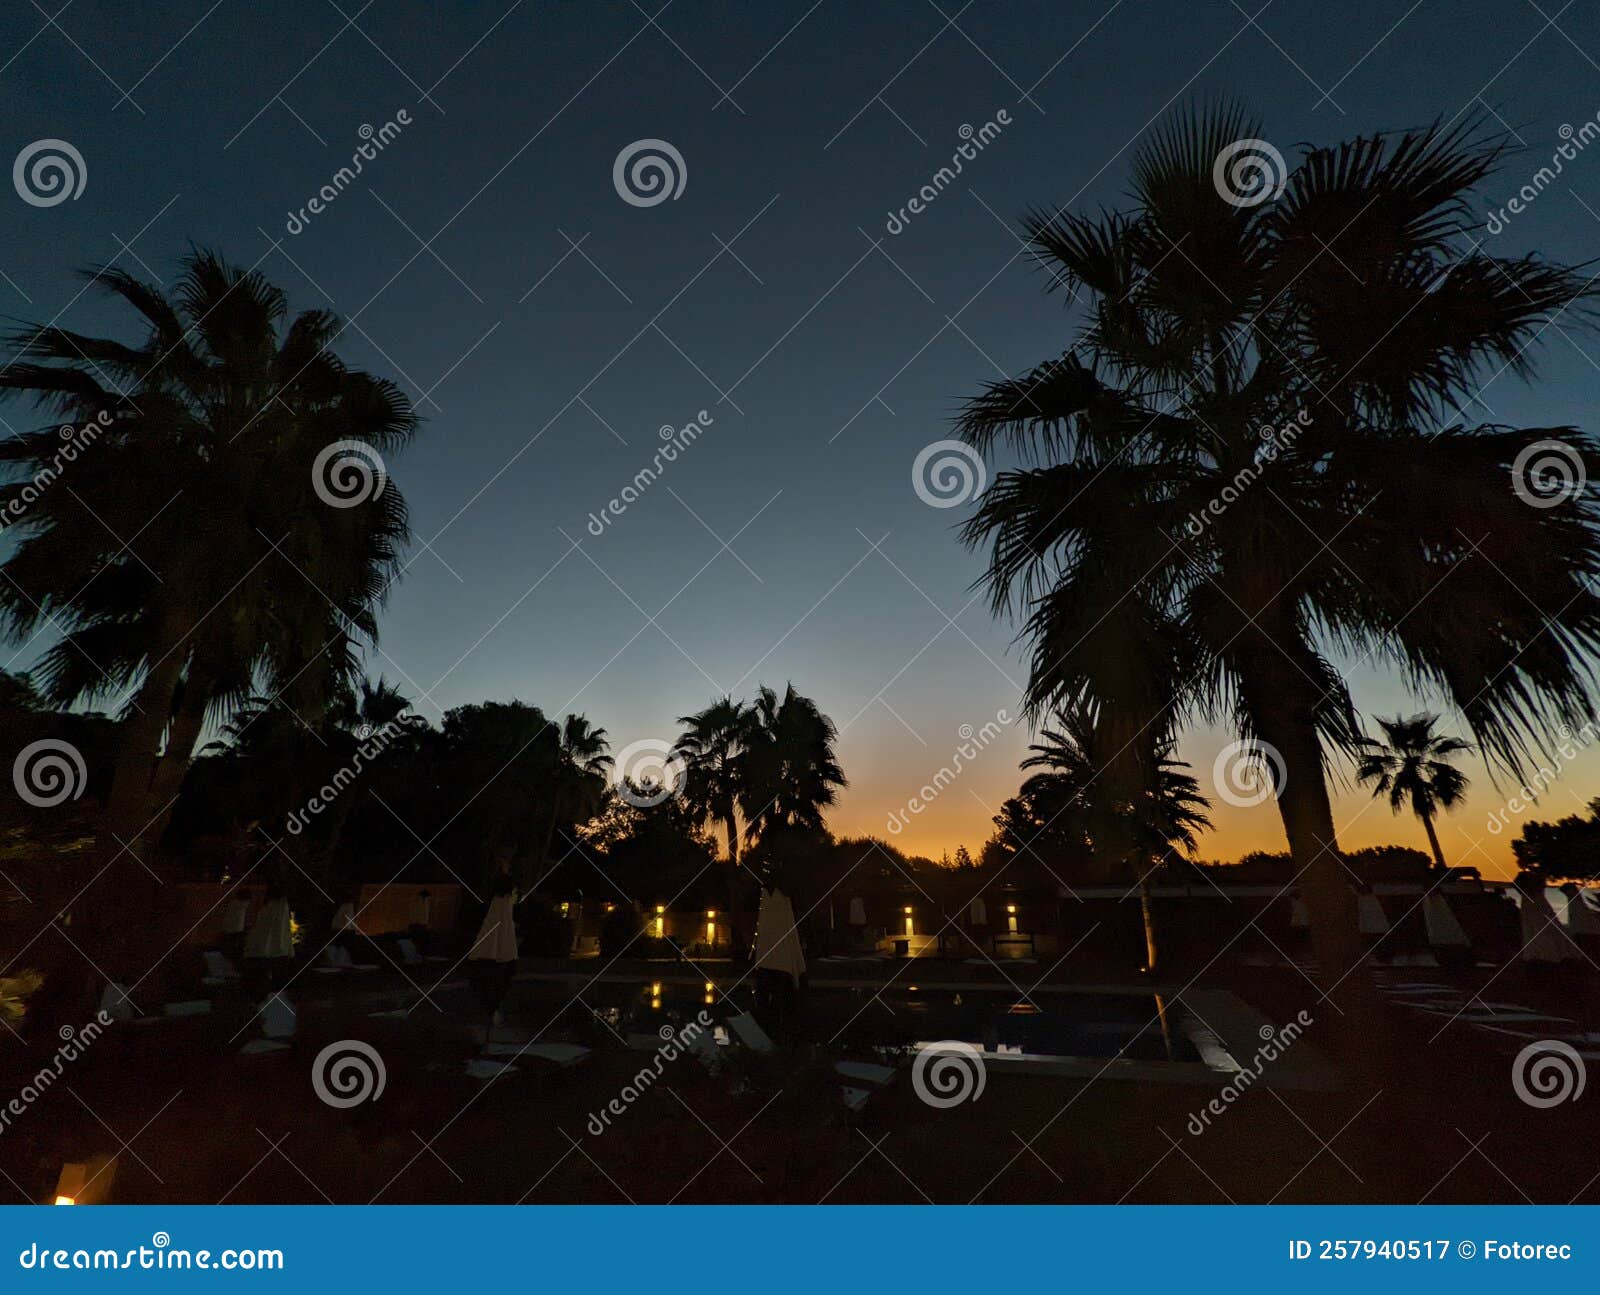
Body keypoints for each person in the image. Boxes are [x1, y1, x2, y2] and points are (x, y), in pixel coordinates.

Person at [467, 873, 519, 1041]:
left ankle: (490, 1016)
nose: (517, 896)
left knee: (490, 989)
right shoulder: (503, 909)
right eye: (515, 893)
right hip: (496, 961)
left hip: (488, 959)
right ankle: (491, 1015)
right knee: (494, 988)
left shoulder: (497, 910)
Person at [243, 879, 293, 995]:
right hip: (274, 950)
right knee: (273, 985)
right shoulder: (276, 906)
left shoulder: (275, 906)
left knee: (273, 984)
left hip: (269, 950)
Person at [409, 888, 433, 956]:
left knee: (419, 943)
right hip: (419, 926)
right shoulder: (423, 903)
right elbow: (424, 916)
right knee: (419, 943)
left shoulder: (419, 902)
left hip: (418, 925)